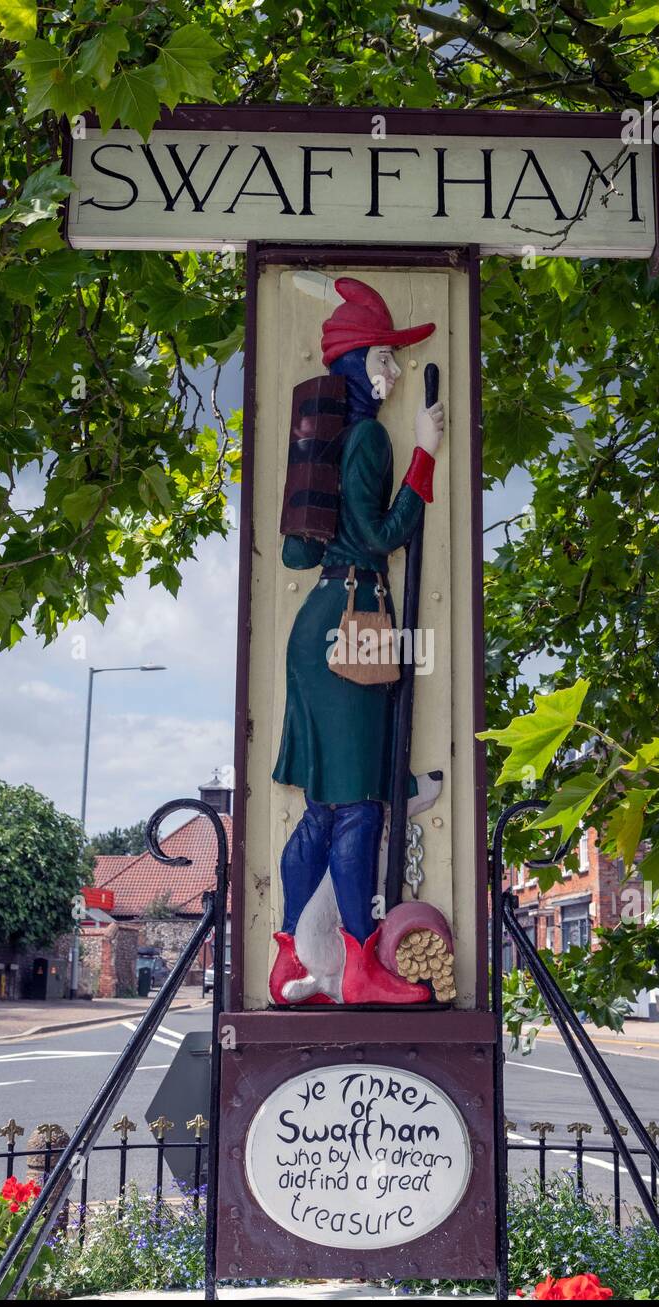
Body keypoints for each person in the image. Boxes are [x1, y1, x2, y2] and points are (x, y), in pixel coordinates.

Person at [270, 278, 444, 1005]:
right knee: (361, 807)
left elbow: (297, 555)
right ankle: (362, 969)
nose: (395, 371)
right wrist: (425, 456)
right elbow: (381, 535)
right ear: (358, 360)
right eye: (387, 357)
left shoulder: (325, 433)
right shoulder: (370, 435)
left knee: (326, 805)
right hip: (359, 619)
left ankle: (287, 959)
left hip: (319, 623)